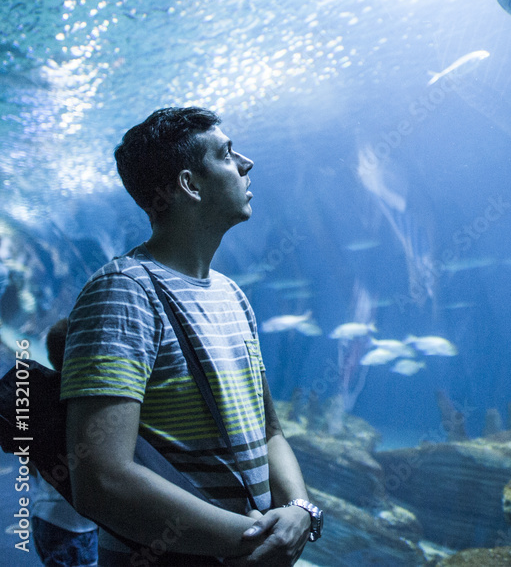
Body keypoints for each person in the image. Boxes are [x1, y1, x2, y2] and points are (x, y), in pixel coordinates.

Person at [61, 107, 323, 566]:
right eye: (225, 154)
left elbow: (268, 431)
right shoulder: (124, 291)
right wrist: (255, 539)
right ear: (189, 184)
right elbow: (101, 477)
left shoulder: (232, 295)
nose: (246, 164)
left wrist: (299, 509)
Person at [31, 318, 99, 567]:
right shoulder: (91, 401)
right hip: (75, 526)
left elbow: (31, 464)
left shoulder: (42, 398)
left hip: (47, 515)